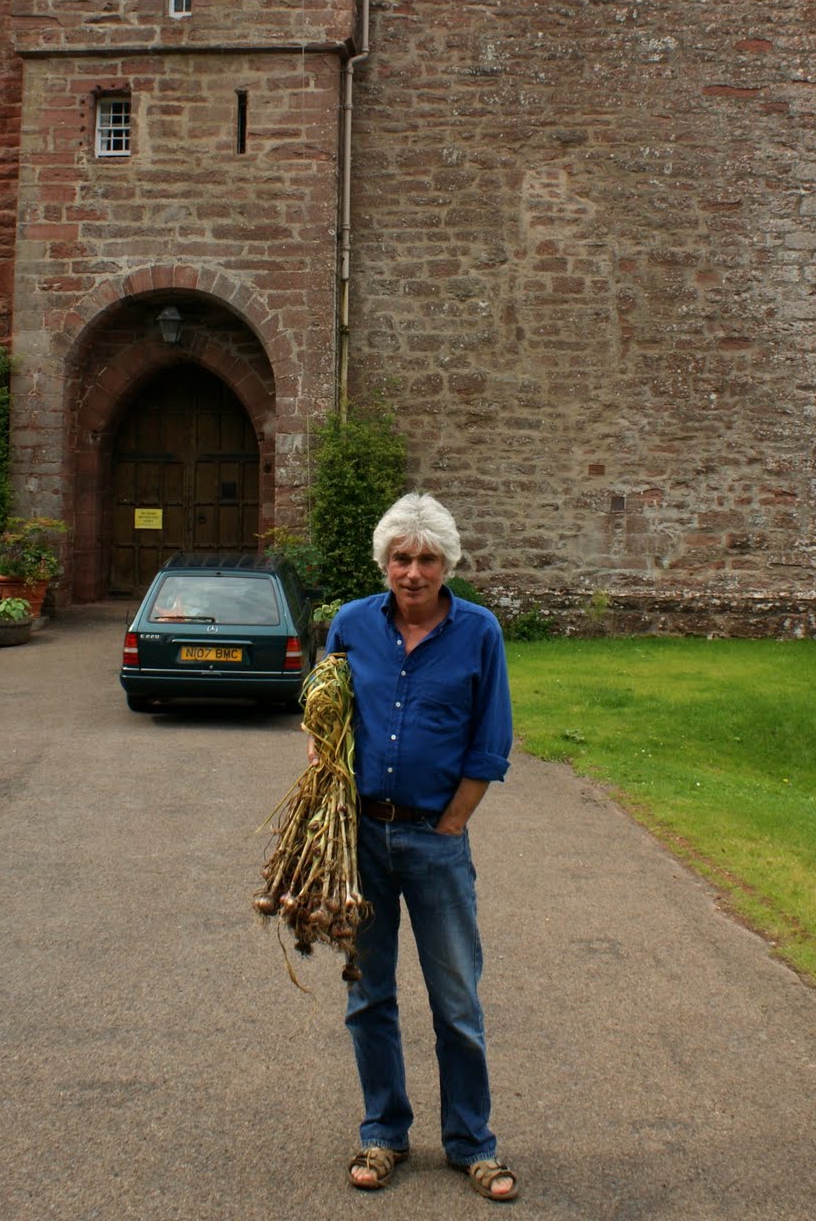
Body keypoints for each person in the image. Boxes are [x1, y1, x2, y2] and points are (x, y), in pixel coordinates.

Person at [320, 492, 518, 1202]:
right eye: (401, 558)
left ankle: (472, 1143)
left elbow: (491, 743)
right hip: (362, 838)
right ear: (384, 563)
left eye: (427, 558)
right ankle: (383, 1133)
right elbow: (324, 724)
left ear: (447, 564)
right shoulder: (348, 625)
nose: (413, 572)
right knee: (368, 996)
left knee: (456, 999)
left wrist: (451, 826)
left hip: (435, 840)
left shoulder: (478, 632)